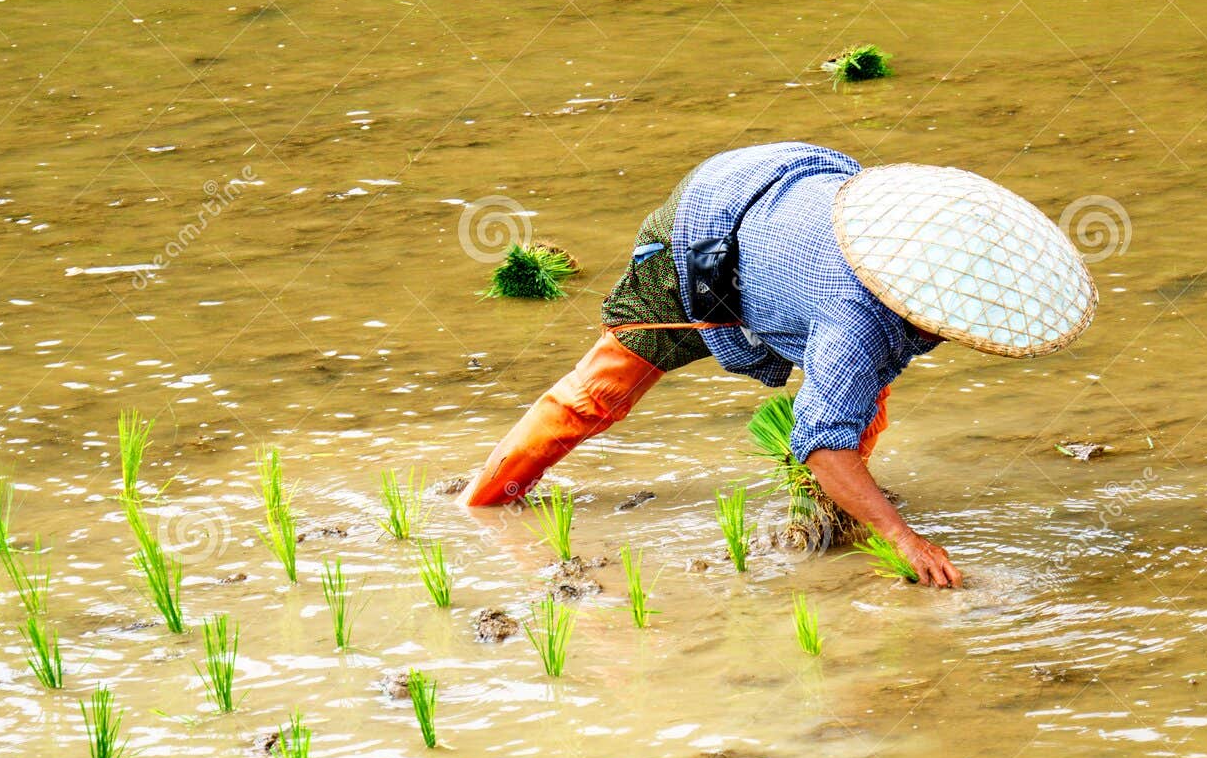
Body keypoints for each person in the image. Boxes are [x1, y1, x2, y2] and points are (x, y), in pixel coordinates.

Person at [460, 143, 1097, 588]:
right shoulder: (856, 318)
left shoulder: (895, 268)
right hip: (700, 236)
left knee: (859, 396)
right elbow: (822, 442)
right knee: (599, 392)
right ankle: (480, 505)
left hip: (783, 183)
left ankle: (835, 510)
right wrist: (905, 538)